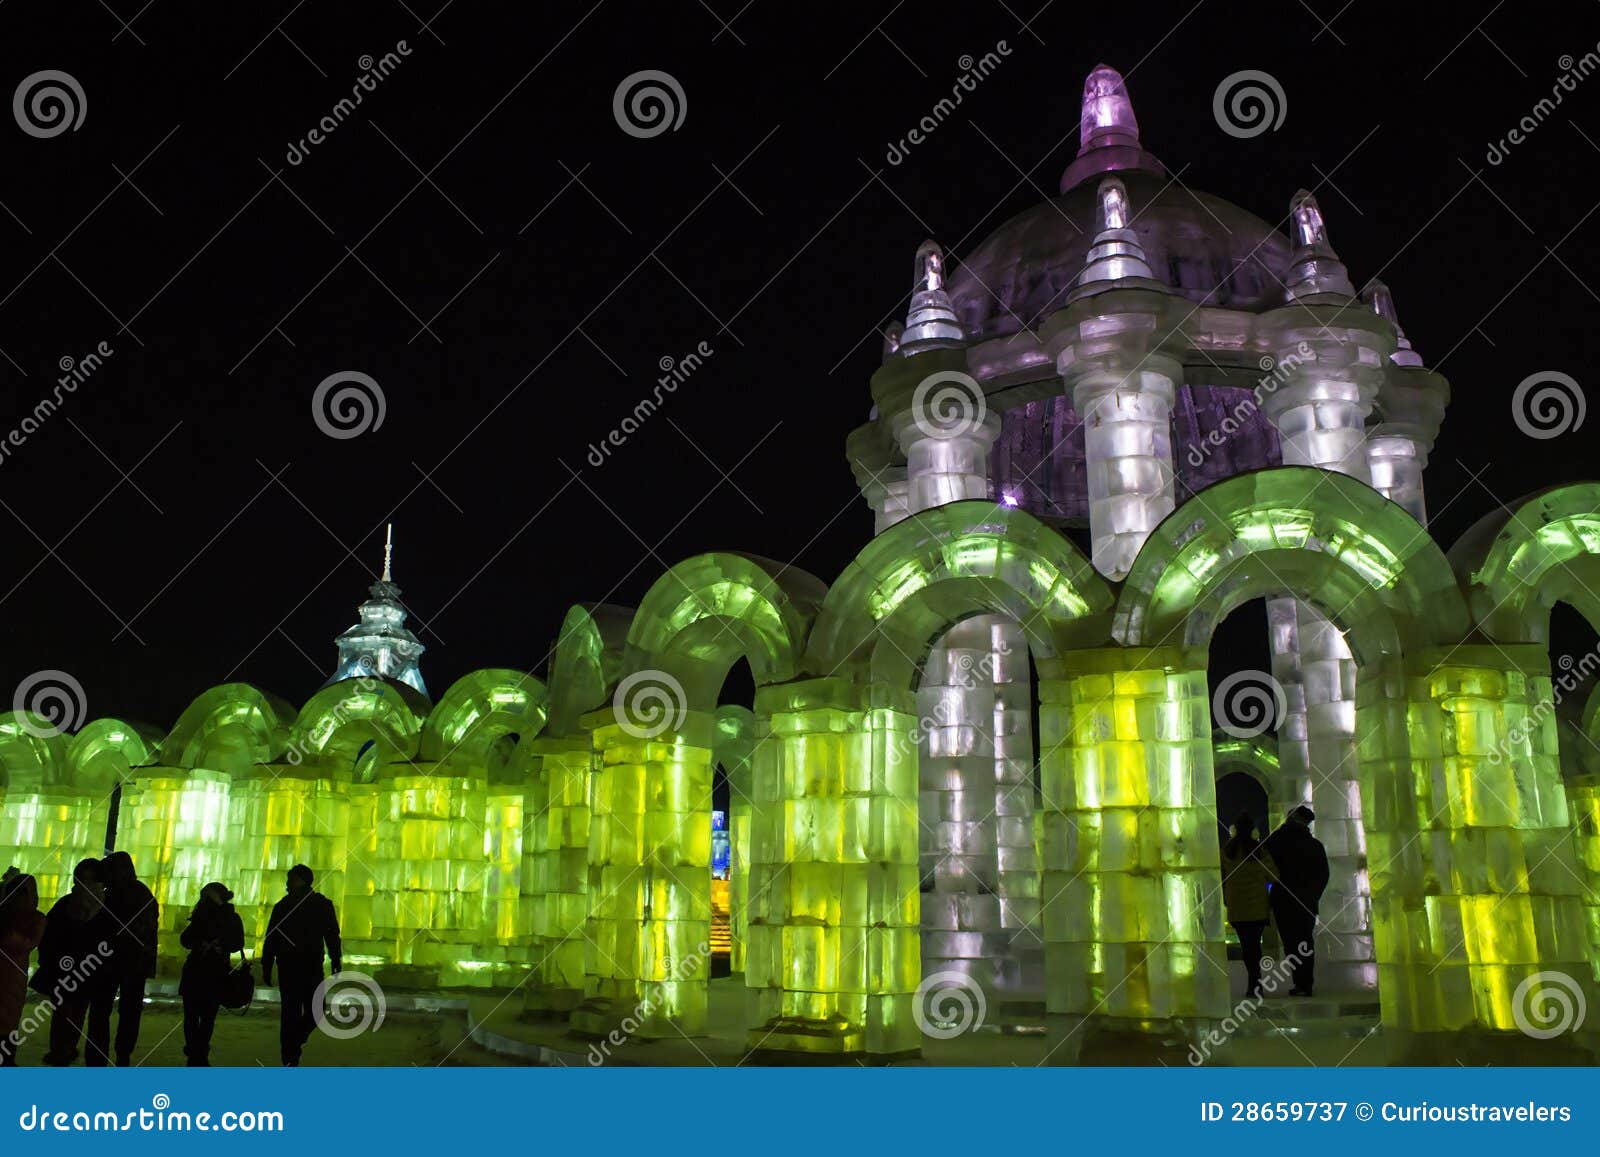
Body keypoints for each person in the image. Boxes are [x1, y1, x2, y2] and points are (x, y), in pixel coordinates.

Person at [35, 858, 114, 1066]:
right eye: (83, 879)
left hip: (87, 973)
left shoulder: (102, 909)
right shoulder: (68, 906)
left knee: (75, 1014)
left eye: (91, 879)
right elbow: (49, 937)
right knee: (63, 1014)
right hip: (64, 970)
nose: (86, 885)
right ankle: (60, 1051)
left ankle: (64, 1050)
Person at [262, 864, 342, 1067]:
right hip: (296, 965)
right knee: (297, 1010)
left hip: (305, 964)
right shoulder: (286, 905)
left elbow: (332, 934)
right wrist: (267, 962)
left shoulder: (318, 904)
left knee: (308, 1010)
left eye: (291, 879)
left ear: (302, 880)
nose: (287, 884)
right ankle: (290, 1056)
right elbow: (272, 937)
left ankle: (293, 1043)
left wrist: (336, 958)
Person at [90, 851, 159, 1066]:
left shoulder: (110, 895)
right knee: (129, 1012)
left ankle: (99, 1057)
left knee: (101, 1011)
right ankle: (122, 1055)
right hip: (133, 964)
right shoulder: (143, 894)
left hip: (110, 962)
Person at [1264, 805, 1331, 996]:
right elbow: (1323, 875)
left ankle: (1299, 982)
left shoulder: (1276, 840)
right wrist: (1313, 895)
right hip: (1307, 901)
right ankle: (1306, 983)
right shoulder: (1315, 845)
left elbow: (1265, 863)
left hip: (1282, 900)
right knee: (1305, 942)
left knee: (1290, 942)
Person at [179, 882, 244, 1067]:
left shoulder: (211, 915)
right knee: (205, 1016)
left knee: (195, 1016)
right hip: (213, 972)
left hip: (201, 971)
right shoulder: (226, 917)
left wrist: (212, 944)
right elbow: (237, 943)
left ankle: (195, 1050)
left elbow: (185, 939)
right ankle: (198, 1050)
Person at [1219, 814, 1274, 999]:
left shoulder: (1228, 850)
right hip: (1257, 906)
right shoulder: (1259, 850)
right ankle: (1255, 982)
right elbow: (1273, 874)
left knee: (1246, 945)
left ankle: (1254, 982)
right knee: (1254, 946)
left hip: (1237, 906)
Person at [1, 868, 46, 1066]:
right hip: (13, 980)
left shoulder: (34, 920)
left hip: (12, 981)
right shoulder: (34, 919)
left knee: (7, 1023)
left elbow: (26, 944)